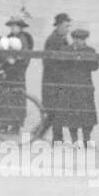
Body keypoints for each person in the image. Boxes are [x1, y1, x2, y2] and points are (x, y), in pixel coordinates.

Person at [57, 27, 99, 143]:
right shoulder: (67, 50)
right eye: (76, 38)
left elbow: (95, 67)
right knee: (72, 116)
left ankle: (86, 138)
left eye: (81, 39)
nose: (78, 41)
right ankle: (74, 139)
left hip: (85, 86)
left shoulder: (90, 51)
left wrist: (84, 59)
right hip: (70, 87)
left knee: (87, 115)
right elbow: (61, 64)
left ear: (85, 39)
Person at [42, 13, 73, 141]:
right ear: (59, 25)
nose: (68, 29)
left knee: (54, 110)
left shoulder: (61, 38)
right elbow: (51, 61)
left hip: (57, 79)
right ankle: (57, 139)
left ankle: (39, 133)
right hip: (54, 80)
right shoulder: (54, 40)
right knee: (56, 110)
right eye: (66, 26)